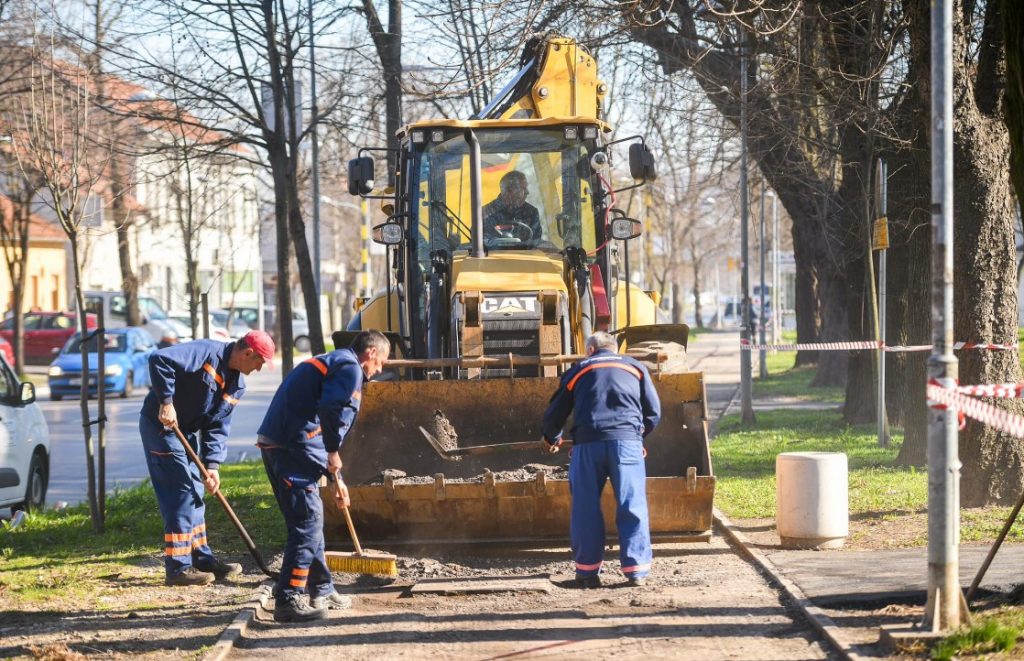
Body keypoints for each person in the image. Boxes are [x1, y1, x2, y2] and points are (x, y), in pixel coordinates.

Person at [257, 329, 390, 623]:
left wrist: (334, 476)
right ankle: (288, 600)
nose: (378, 371)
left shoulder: (331, 360)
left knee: (309, 521)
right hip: (294, 447)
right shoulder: (350, 367)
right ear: (370, 353)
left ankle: (322, 587)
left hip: (283, 445)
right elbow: (331, 407)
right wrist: (332, 451)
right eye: (381, 362)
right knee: (306, 524)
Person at [140, 330, 274, 587]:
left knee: (197, 492)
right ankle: (178, 569)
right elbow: (159, 360)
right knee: (181, 494)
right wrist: (166, 402)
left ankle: (202, 558)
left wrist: (212, 466)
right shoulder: (205, 352)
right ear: (248, 353)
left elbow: (218, 425)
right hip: (162, 428)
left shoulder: (237, 385)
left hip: (185, 431)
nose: (258, 369)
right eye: (259, 362)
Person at [541, 331, 661, 589]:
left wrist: (552, 438)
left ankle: (587, 573)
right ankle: (636, 571)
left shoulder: (578, 370)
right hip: (627, 445)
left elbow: (555, 413)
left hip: (588, 445)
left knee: (585, 507)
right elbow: (653, 412)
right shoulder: (636, 368)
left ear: (590, 351)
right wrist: (636, 437)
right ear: (615, 349)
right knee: (632, 504)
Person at [483, 170, 542, 241]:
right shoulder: (486, 213)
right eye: (523, 188)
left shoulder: (531, 213)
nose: (527, 192)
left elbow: (537, 242)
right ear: (510, 190)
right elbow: (482, 244)